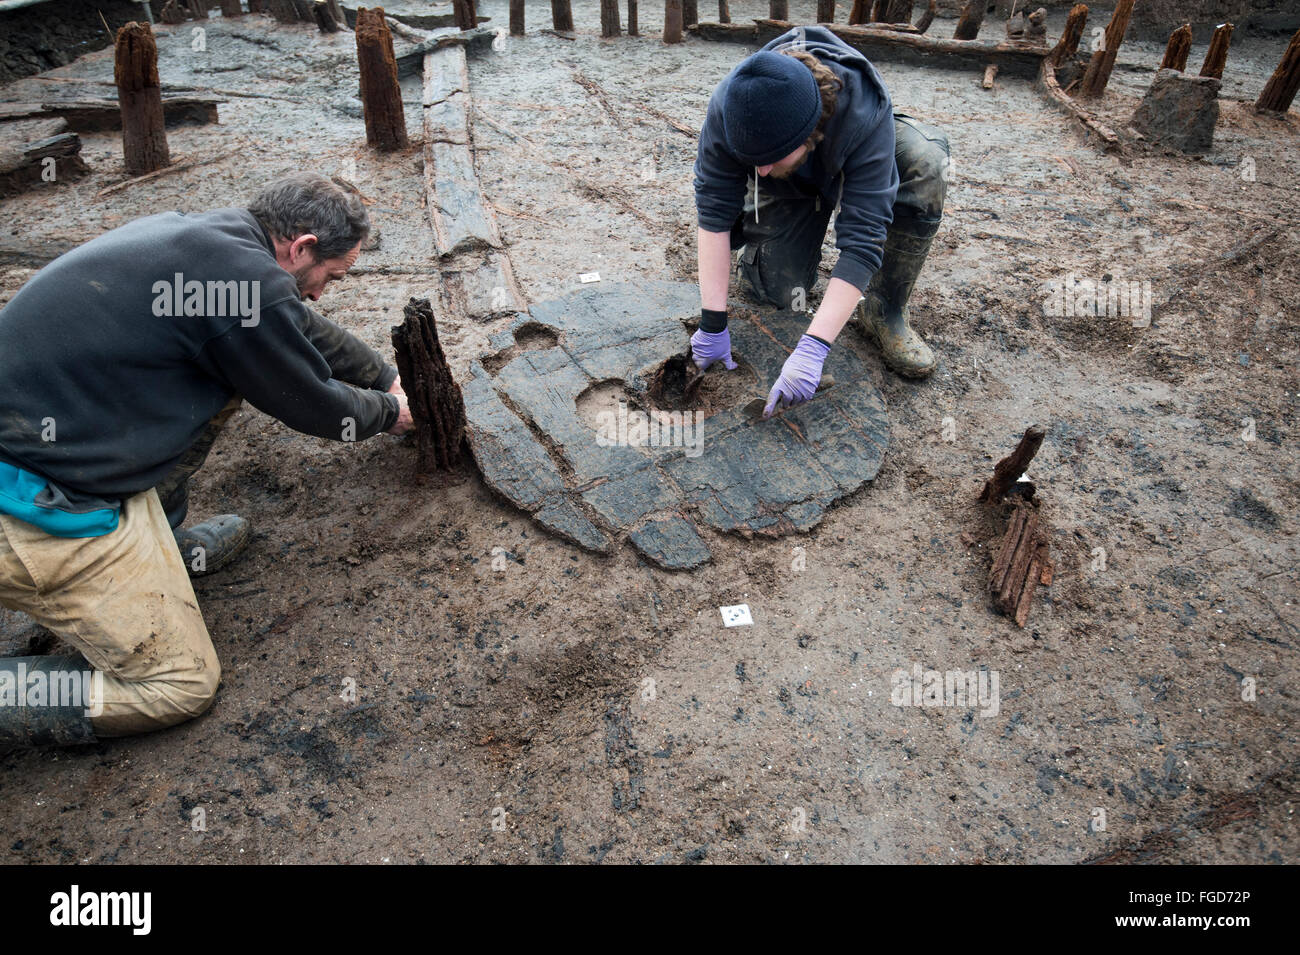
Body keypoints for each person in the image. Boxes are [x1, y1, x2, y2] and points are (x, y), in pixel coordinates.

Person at [0, 172, 412, 747]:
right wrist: (392, 414)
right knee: (179, 685)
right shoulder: (251, 283)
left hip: (52, 430)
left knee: (216, 377)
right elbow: (312, 404)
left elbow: (298, 325)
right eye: (330, 276)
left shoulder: (216, 242)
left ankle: (161, 547)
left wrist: (389, 378)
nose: (321, 291)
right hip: (30, 501)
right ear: (303, 247)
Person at [690, 25, 951, 415]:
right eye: (752, 162)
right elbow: (712, 214)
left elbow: (863, 239)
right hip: (794, 178)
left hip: (847, 151)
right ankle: (782, 228)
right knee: (778, 292)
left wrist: (814, 348)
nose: (758, 173)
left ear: (810, 132)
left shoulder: (863, 113)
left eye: (770, 159)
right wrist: (712, 323)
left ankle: (884, 309)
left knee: (925, 160)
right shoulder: (733, 110)